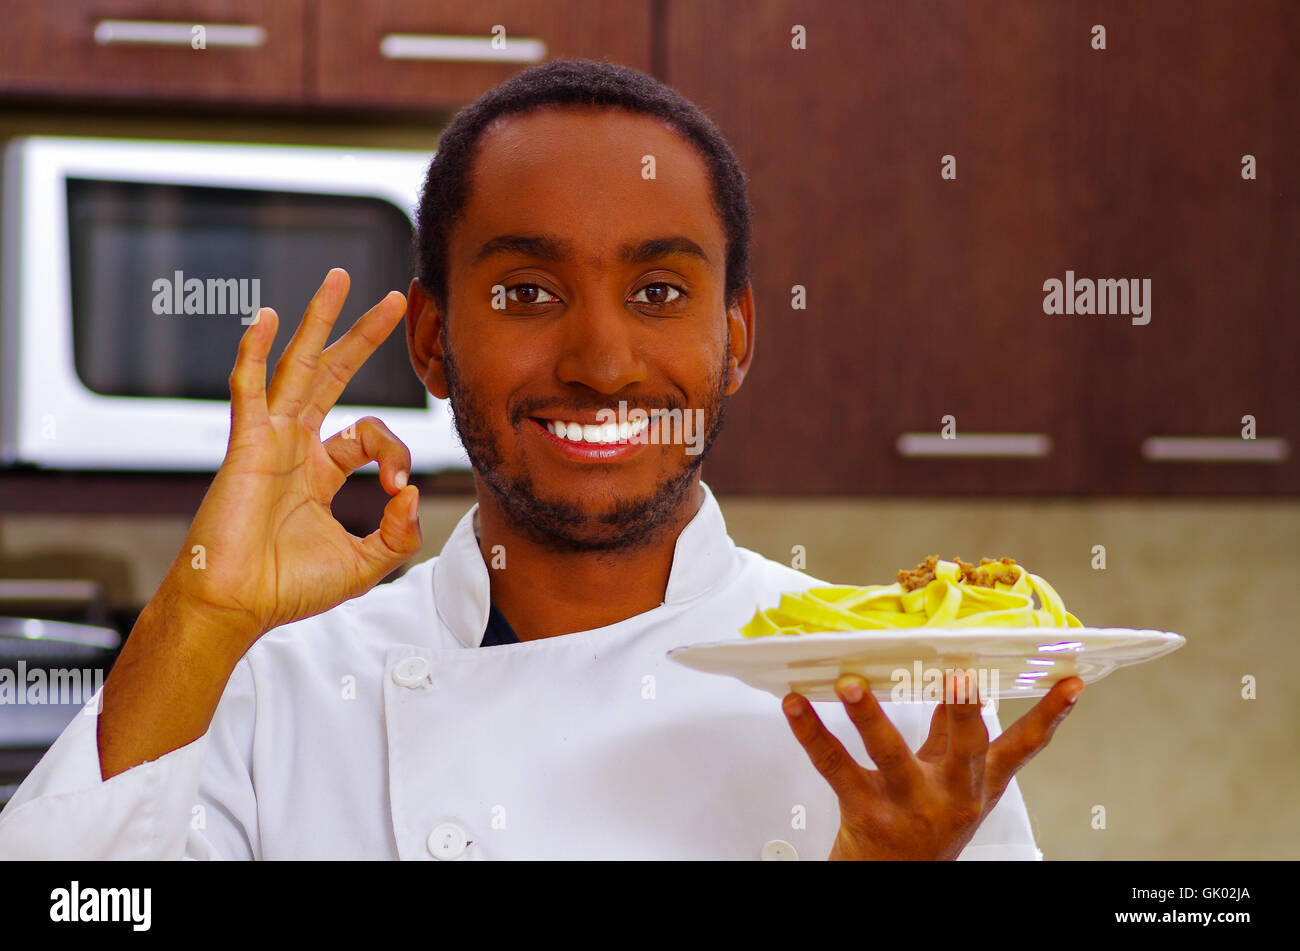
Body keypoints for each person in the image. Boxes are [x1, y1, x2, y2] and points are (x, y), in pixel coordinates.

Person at [0, 58, 1081, 860]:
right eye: (526, 292)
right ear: (432, 339)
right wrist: (203, 614)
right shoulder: (275, 693)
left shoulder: (889, 703)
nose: (603, 364)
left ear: (736, 338)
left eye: (659, 293)